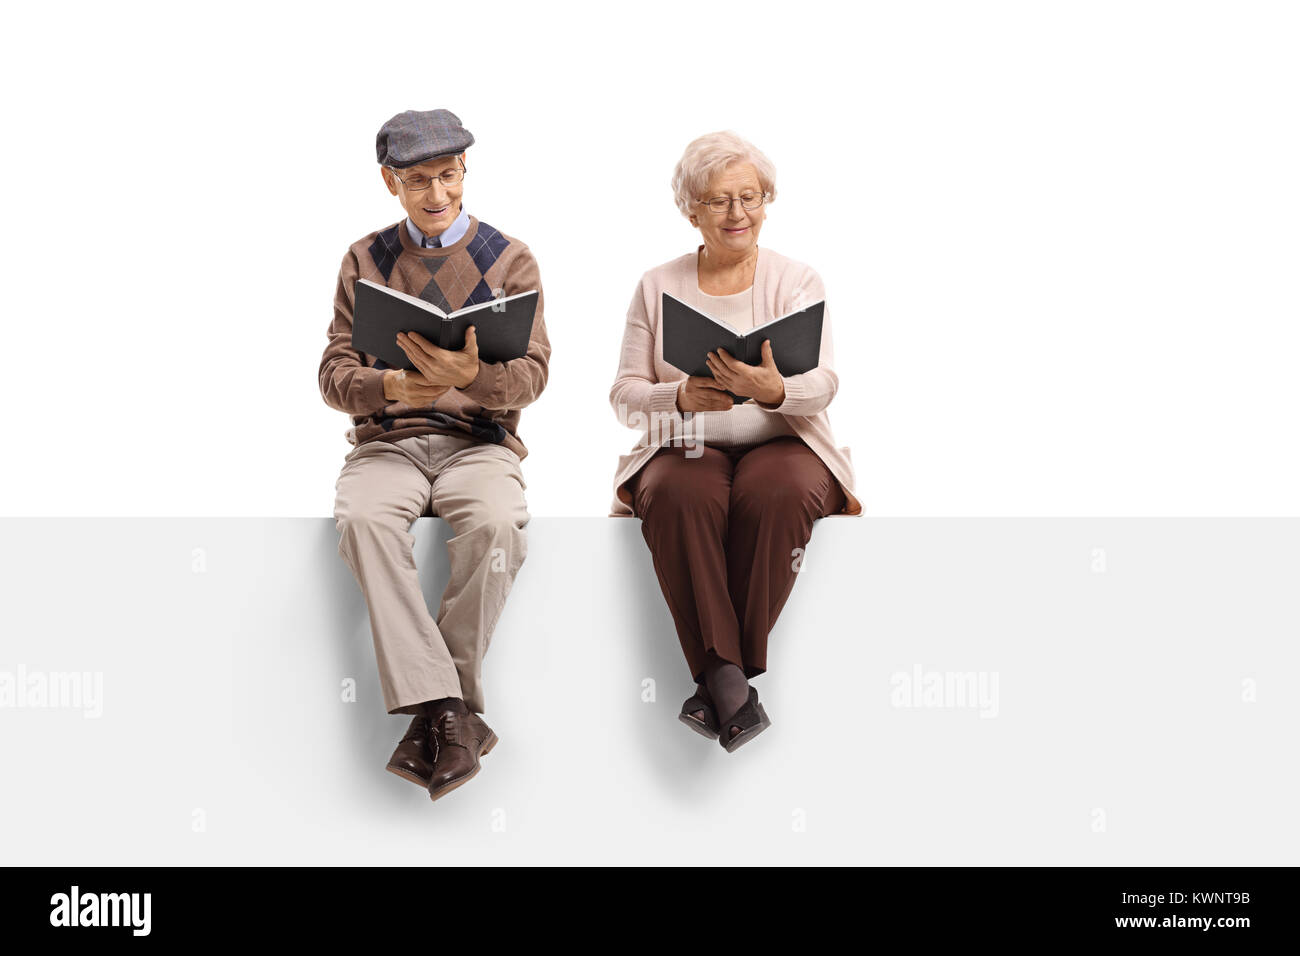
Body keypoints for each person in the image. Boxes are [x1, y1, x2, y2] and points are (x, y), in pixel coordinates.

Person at [320, 109, 550, 800]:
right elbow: (332, 376)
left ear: (465, 172)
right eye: (418, 180)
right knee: (362, 520)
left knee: (497, 525)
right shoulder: (364, 258)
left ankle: (433, 708)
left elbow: (533, 376)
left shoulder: (511, 259)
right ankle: (452, 713)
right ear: (390, 181)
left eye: (448, 176)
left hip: (477, 443)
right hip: (387, 443)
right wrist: (390, 382)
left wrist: (470, 379)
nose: (437, 194)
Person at [609, 130, 859, 752]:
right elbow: (624, 394)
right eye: (719, 201)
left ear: (767, 201)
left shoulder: (797, 279)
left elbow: (825, 383)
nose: (737, 213)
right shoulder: (656, 285)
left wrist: (775, 391)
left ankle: (720, 680)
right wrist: (679, 398)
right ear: (691, 209)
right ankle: (732, 685)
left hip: (785, 438)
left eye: (750, 197)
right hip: (686, 442)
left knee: (780, 489)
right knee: (676, 494)